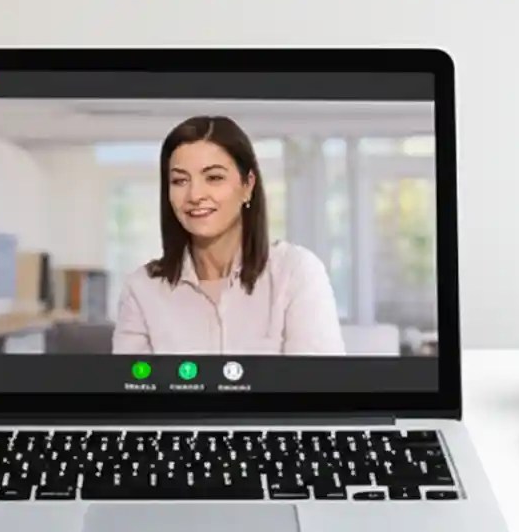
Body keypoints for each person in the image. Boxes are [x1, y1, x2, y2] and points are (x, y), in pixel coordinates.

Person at [112, 115, 345, 355]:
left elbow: (320, 384)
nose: (195, 195)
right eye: (180, 180)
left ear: (247, 186)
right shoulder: (141, 288)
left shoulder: (295, 272)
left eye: (213, 177)